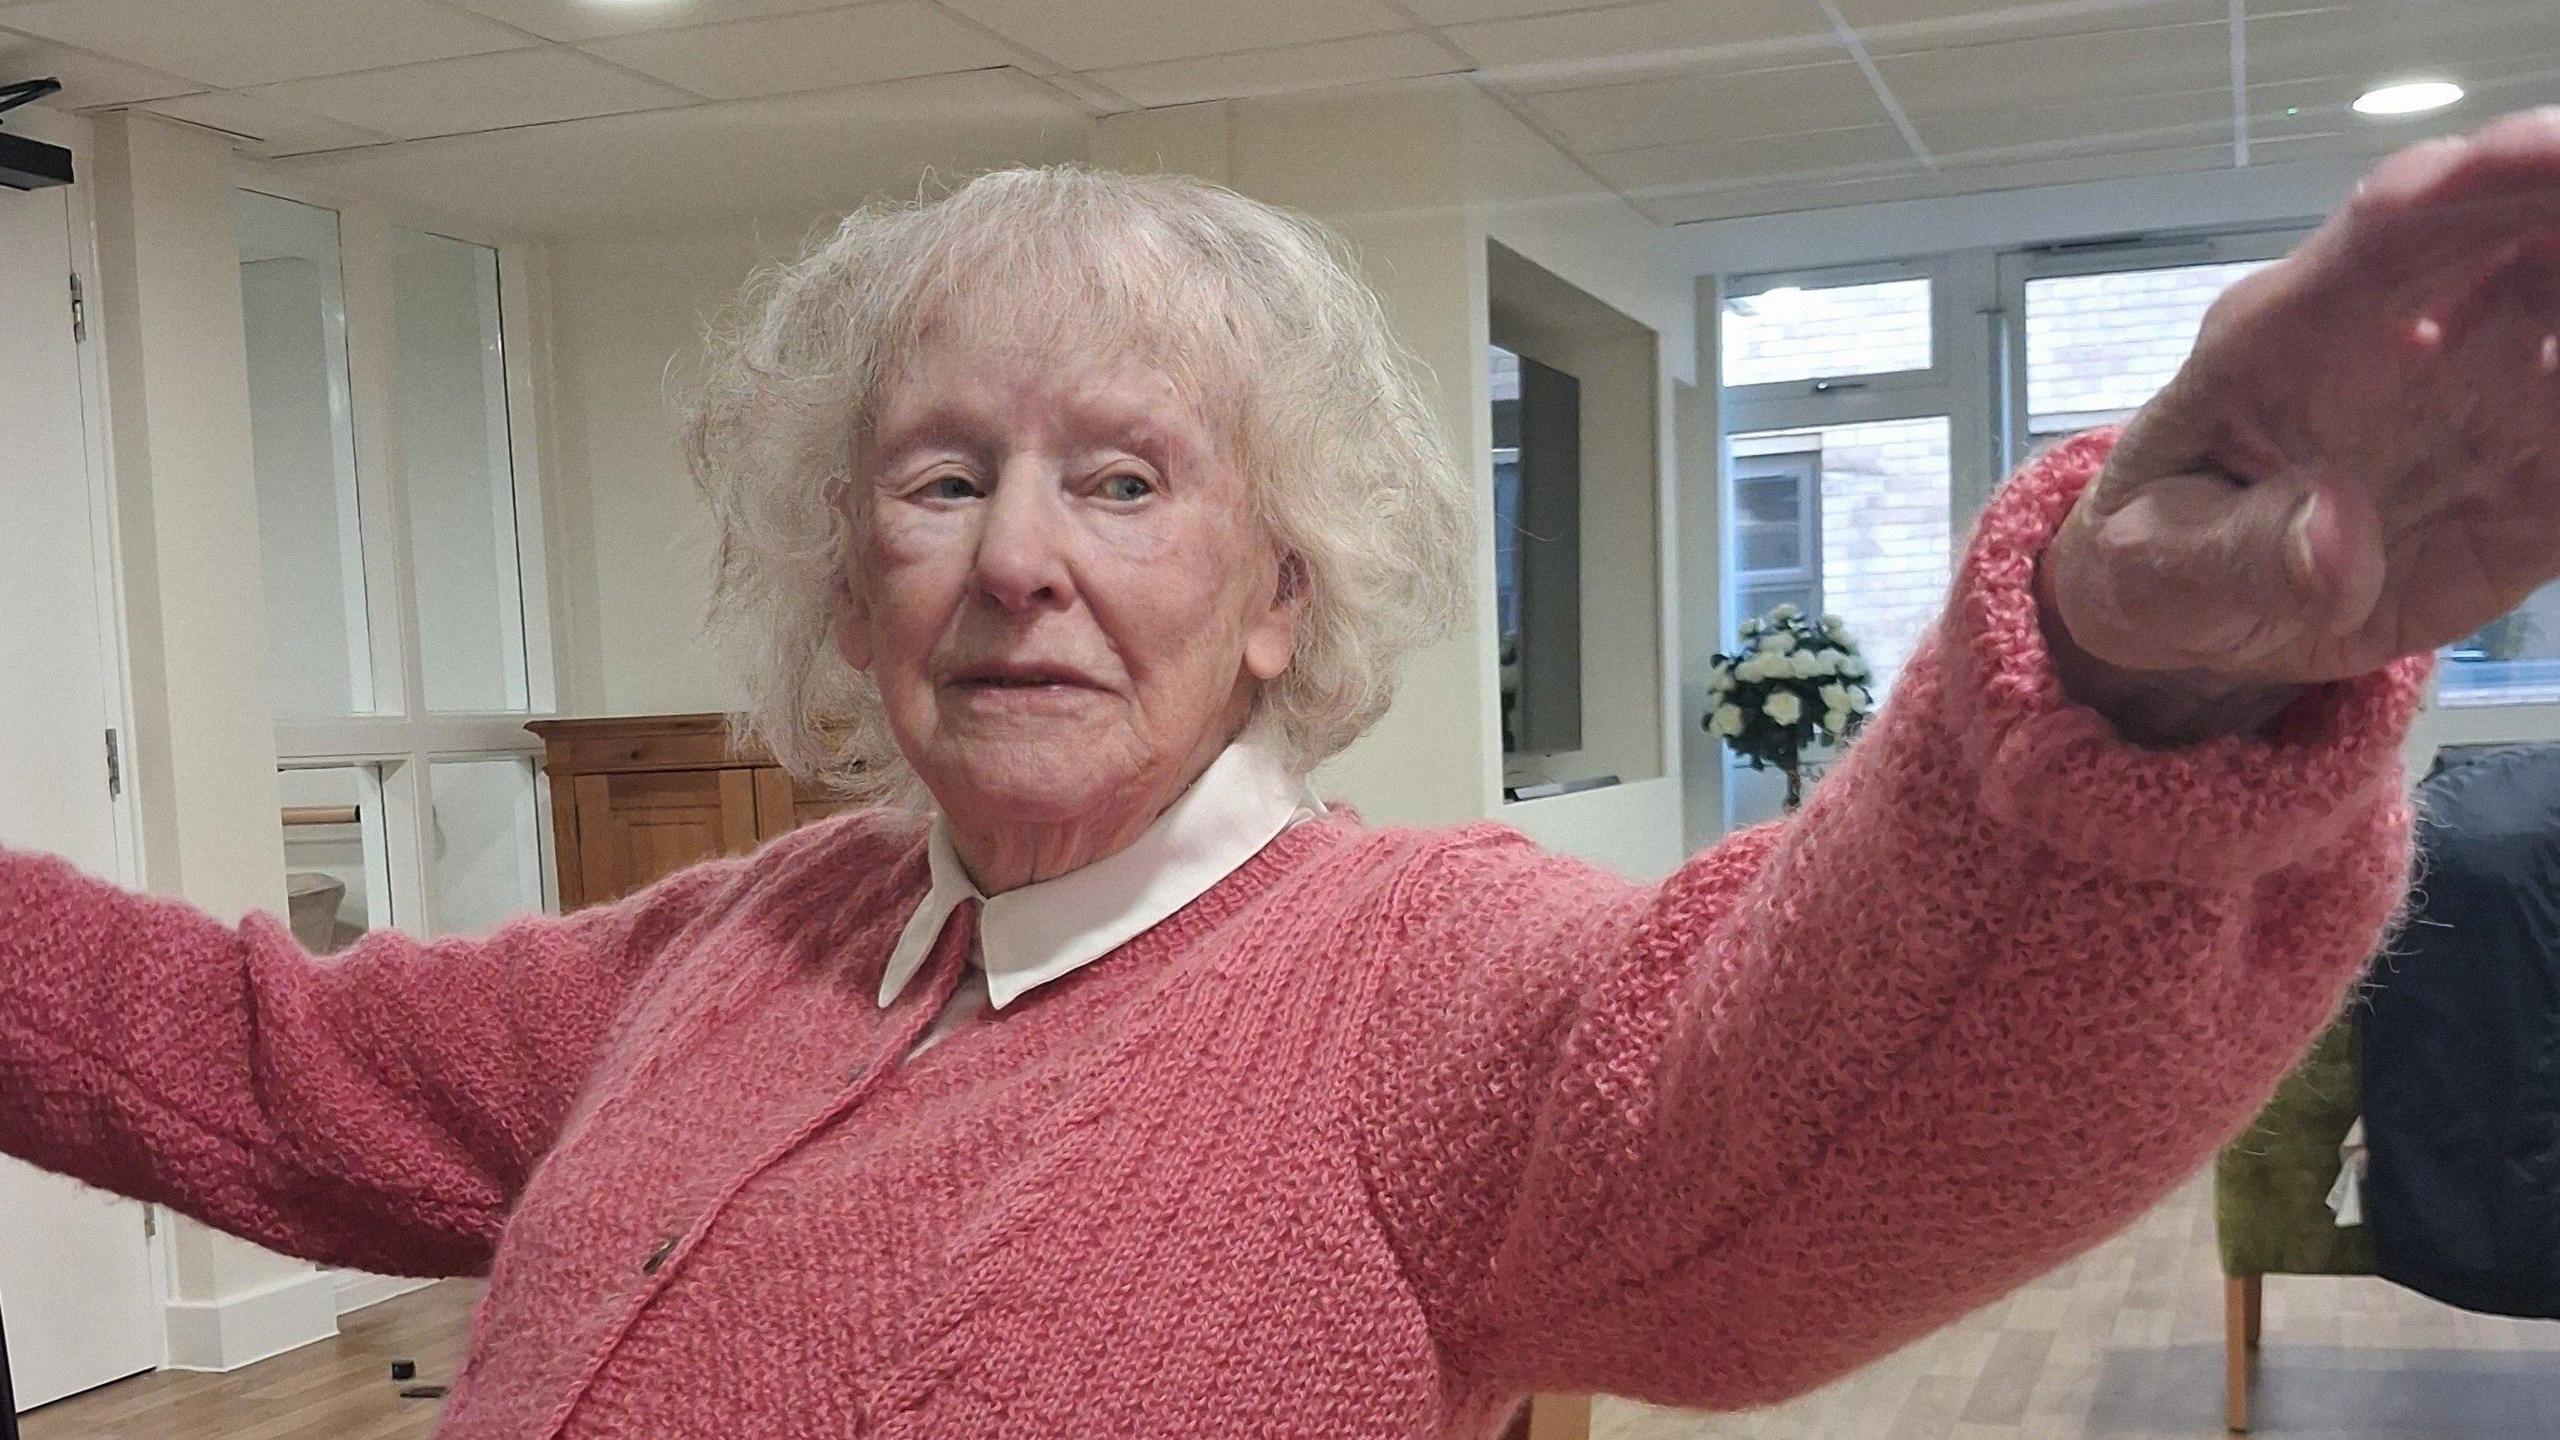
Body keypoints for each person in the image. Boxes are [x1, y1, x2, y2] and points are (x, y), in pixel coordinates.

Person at [2, 110, 2556, 1440]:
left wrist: (2132, 682)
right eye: (935, 476)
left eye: (1122, 482)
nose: (1015, 560)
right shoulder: (729, 941)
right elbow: (245, 1048)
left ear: (1279, 590)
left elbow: (1842, 1082)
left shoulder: (1409, 981)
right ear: (845, 564)